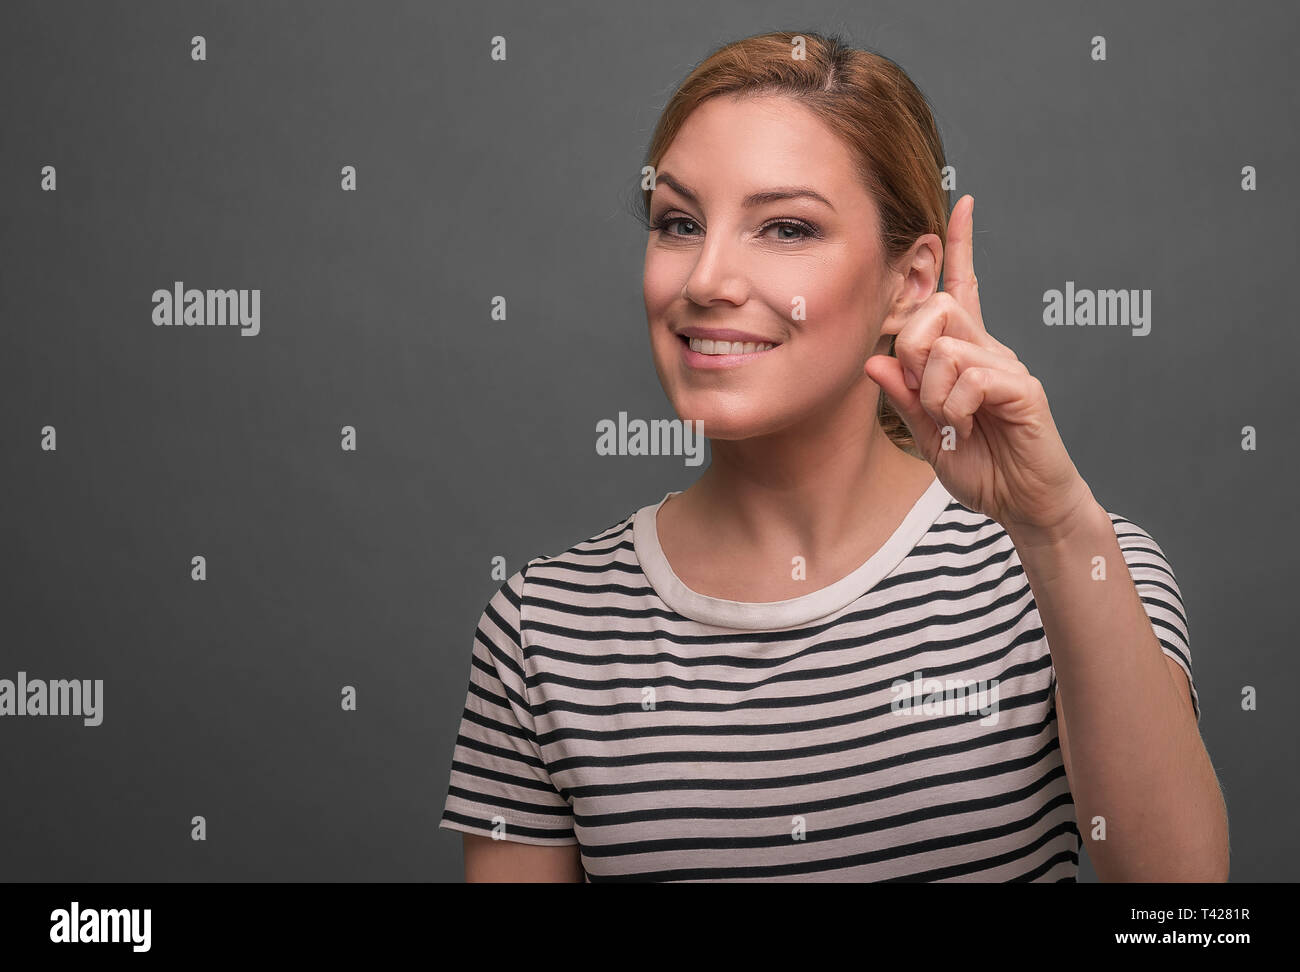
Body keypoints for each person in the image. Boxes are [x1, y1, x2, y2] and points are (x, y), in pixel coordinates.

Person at [437, 30, 1229, 882]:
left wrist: (1057, 530)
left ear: (910, 281)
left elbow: (1178, 914)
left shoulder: (1079, 569)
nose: (706, 279)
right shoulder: (541, 630)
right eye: (678, 223)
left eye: (783, 227)